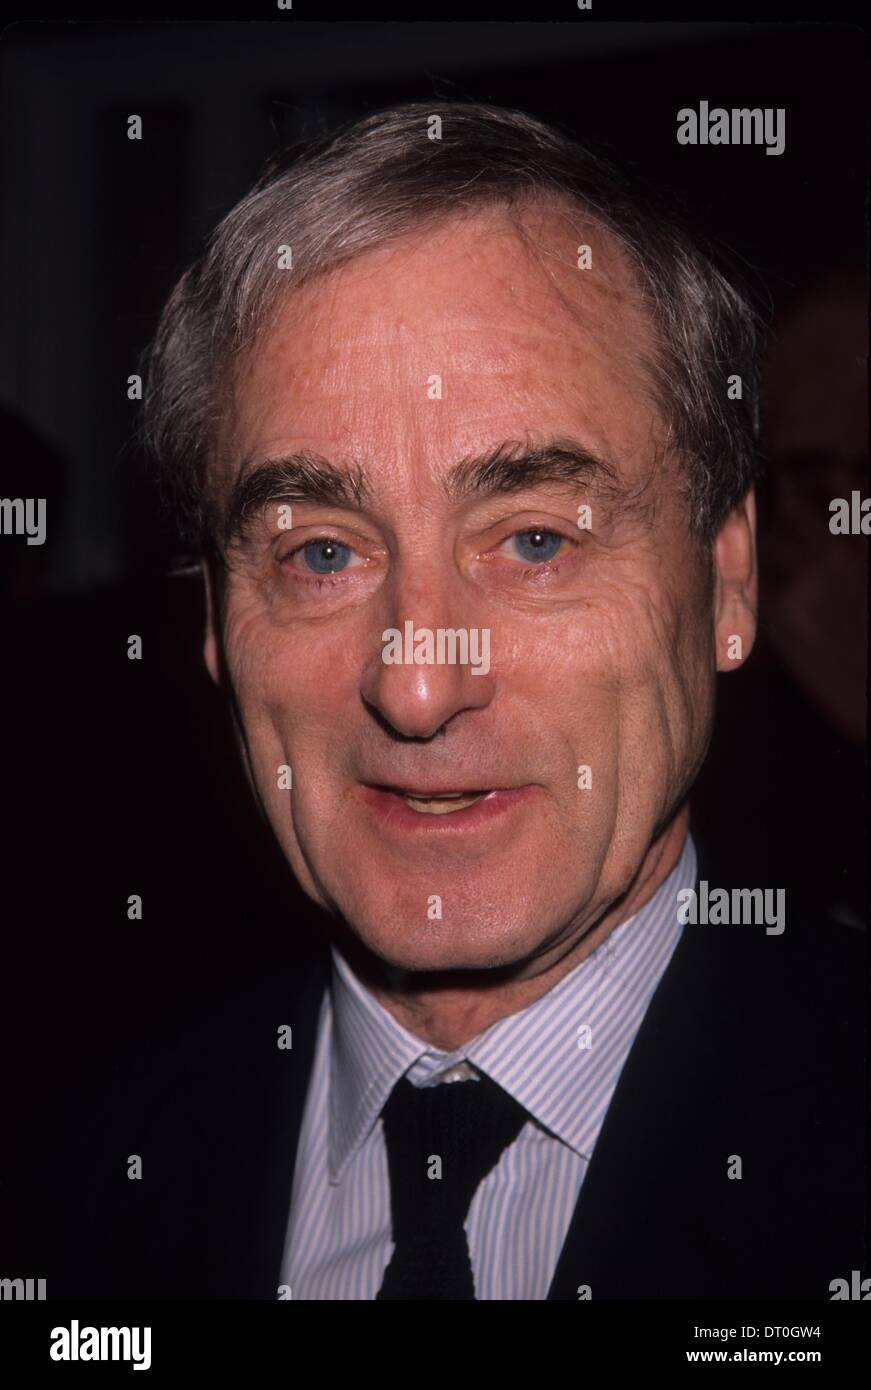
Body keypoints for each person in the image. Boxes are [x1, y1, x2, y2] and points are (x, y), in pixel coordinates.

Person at [40, 101, 864, 1300]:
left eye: (533, 539)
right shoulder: (73, 1192)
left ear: (726, 579)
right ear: (215, 623)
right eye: (320, 554)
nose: (416, 684)